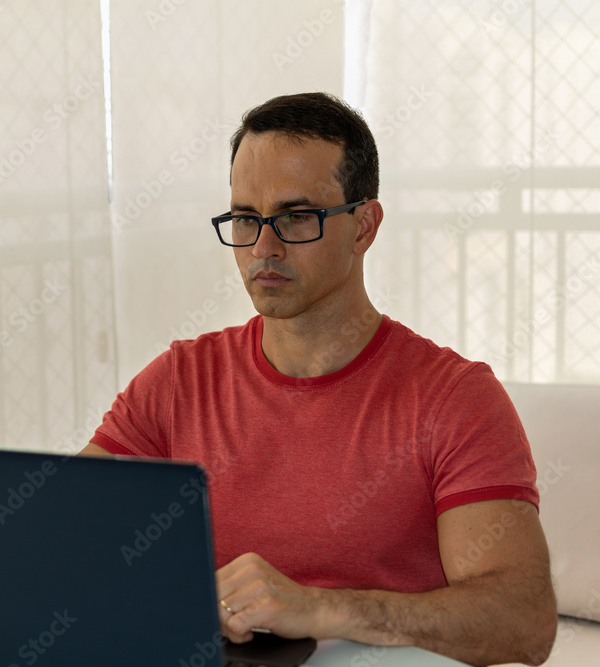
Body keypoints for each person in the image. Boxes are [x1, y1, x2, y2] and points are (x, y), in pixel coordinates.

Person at [78, 92, 556, 666]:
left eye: (296, 217)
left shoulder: (455, 399)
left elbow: (523, 621)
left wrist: (323, 608)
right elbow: (62, 537)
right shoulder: (180, 381)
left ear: (364, 225)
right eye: (246, 219)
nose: (263, 247)